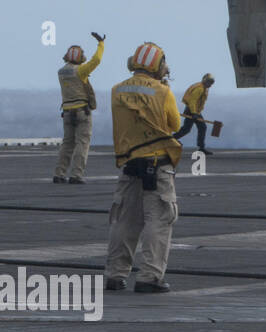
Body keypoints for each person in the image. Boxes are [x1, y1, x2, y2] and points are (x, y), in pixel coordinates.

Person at [106, 42, 182, 293]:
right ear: (157, 65)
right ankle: (149, 277)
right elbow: (174, 125)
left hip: (129, 165)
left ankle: (115, 275)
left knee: (124, 221)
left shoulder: (117, 90)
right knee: (158, 220)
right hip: (157, 167)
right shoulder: (162, 92)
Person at [54, 32, 105, 184]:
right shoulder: (81, 71)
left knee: (67, 144)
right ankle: (76, 175)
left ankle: (59, 174)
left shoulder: (61, 72)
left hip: (67, 112)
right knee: (82, 144)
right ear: (80, 58)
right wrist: (101, 44)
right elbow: (96, 60)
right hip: (82, 112)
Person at [173, 73, 215, 155]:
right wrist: (194, 113)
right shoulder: (199, 88)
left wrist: (195, 112)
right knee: (199, 127)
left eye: (211, 83)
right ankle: (201, 147)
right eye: (209, 82)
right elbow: (192, 101)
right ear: (204, 81)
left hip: (194, 111)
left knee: (188, 129)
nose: (210, 85)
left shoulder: (203, 87)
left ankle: (172, 139)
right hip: (192, 111)